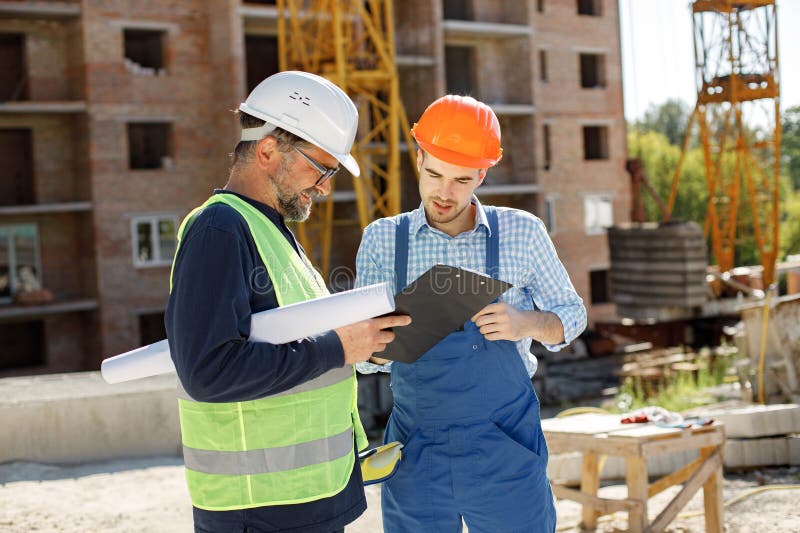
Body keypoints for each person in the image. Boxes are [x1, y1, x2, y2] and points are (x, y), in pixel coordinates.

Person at [165, 71, 411, 533]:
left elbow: (293, 348)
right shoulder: (218, 232)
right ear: (267, 150)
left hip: (306, 497)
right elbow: (208, 370)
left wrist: (364, 344)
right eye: (322, 168)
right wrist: (339, 347)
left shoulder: (271, 232)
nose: (323, 186)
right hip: (260, 508)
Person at [355, 95, 587, 532]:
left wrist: (527, 323)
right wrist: (381, 348)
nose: (445, 193)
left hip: (504, 444)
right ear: (418, 158)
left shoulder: (522, 231)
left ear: (482, 172)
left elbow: (572, 314)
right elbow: (362, 358)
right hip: (416, 448)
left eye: (462, 180)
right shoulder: (382, 241)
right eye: (434, 174)